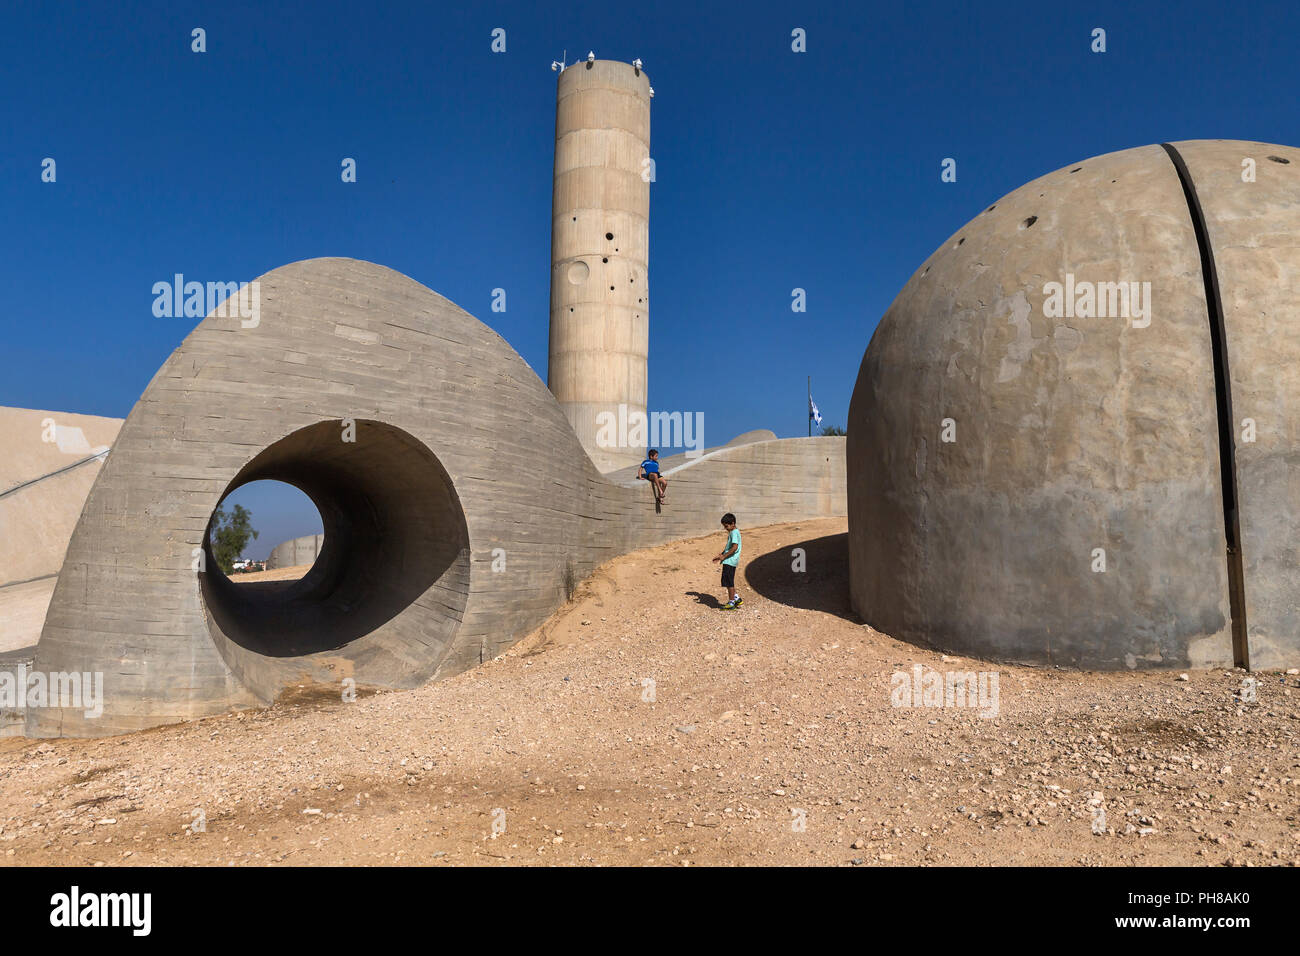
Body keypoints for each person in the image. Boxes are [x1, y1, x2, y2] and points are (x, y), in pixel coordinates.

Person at [711, 512, 742, 609]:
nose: (725, 528)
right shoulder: (733, 532)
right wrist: (721, 555)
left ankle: (731, 603)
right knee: (727, 581)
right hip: (729, 560)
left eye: (726, 526)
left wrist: (724, 556)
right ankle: (737, 599)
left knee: (729, 583)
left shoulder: (734, 533)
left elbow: (734, 547)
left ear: (733, 523)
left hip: (730, 561)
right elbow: (729, 547)